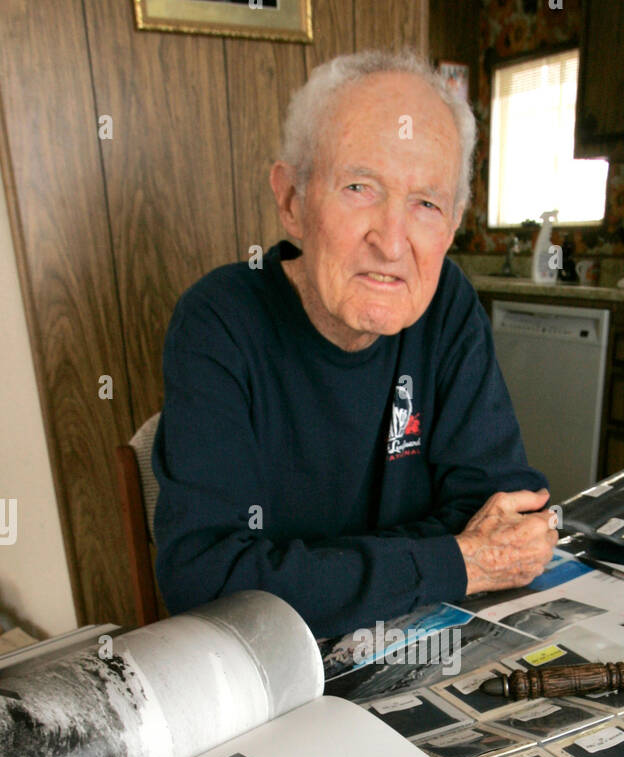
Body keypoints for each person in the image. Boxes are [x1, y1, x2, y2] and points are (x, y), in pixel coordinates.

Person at [152, 49, 559, 639]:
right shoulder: (218, 321)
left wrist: (310, 568)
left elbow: (508, 513)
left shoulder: (447, 304)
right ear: (293, 200)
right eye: (360, 187)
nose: (392, 243)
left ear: (453, 223)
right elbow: (208, 581)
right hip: (283, 668)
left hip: (428, 641)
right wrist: (455, 557)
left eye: (425, 203)